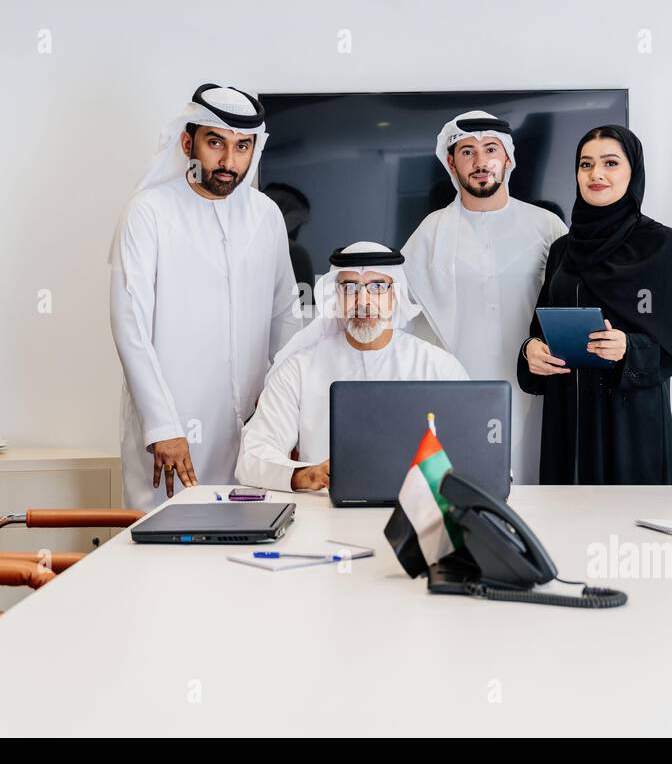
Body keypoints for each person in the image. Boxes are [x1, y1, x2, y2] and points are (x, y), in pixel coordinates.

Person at [109, 84, 303, 507]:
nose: (229, 161)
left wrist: (291, 418)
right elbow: (131, 327)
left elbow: (285, 318)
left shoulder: (265, 215)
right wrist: (162, 426)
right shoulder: (149, 212)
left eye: (242, 146)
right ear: (187, 141)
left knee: (249, 550)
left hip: (254, 431)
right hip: (174, 431)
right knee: (167, 553)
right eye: (216, 142)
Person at [518, 124, 672, 485]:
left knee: (627, 534)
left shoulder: (661, 245)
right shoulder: (563, 250)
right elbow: (541, 327)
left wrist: (628, 346)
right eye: (585, 164)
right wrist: (531, 350)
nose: (596, 174)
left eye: (610, 163)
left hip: (629, 419)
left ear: (633, 172)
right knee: (566, 528)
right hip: (567, 416)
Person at [403, 111, 565, 485]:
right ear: (451, 163)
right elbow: (398, 311)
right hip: (458, 390)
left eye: (490, 149)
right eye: (467, 152)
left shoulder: (547, 227)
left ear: (507, 158)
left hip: (534, 389)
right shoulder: (431, 232)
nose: (480, 162)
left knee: (538, 486)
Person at [236, 242, 468, 492]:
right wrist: (304, 475)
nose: (363, 301)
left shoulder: (437, 366)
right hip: (322, 512)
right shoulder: (299, 369)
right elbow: (252, 456)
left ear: (395, 297)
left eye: (377, 287)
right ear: (336, 297)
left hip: (416, 512)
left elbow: (472, 446)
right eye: (350, 288)